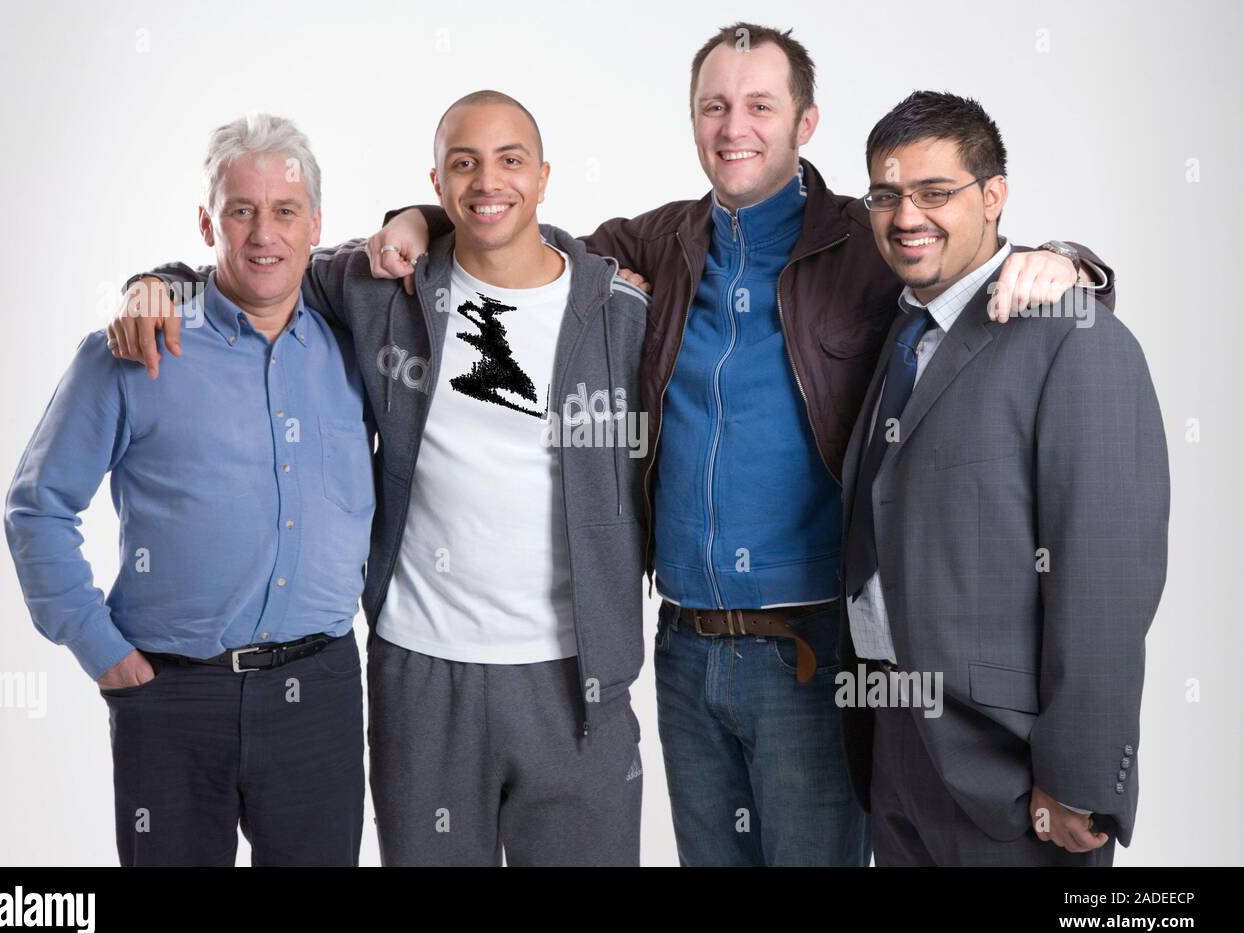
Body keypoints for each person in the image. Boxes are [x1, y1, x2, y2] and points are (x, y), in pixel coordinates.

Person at [368, 22, 1116, 866]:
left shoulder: (867, 239)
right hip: (683, 650)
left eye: (761, 105)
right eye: (714, 106)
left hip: (810, 652)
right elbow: (511, 238)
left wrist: (1071, 260)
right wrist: (423, 216)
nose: (734, 127)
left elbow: (967, 263)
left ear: (806, 123)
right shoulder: (653, 244)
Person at [107, 92, 651, 866]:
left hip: (576, 680)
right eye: (463, 164)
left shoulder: (618, 308)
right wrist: (152, 283)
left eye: (509, 160)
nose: (487, 181)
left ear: (544, 176)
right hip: (419, 671)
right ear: (435, 181)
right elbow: (254, 268)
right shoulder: (378, 287)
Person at [5, 114, 371, 866]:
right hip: (171, 698)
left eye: (284, 212)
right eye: (241, 211)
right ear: (208, 222)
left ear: (316, 226)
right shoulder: (136, 350)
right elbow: (37, 508)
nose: (263, 234)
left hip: (321, 694)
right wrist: (101, 649)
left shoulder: (354, 343)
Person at [839, 90, 1169, 865]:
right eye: (886, 196)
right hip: (898, 750)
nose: (906, 216)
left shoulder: (1074, 338)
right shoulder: (898, 334)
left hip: (1017, 779)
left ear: (994, 197)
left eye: (934, 192)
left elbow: (1107, 575)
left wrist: (1081, 778)